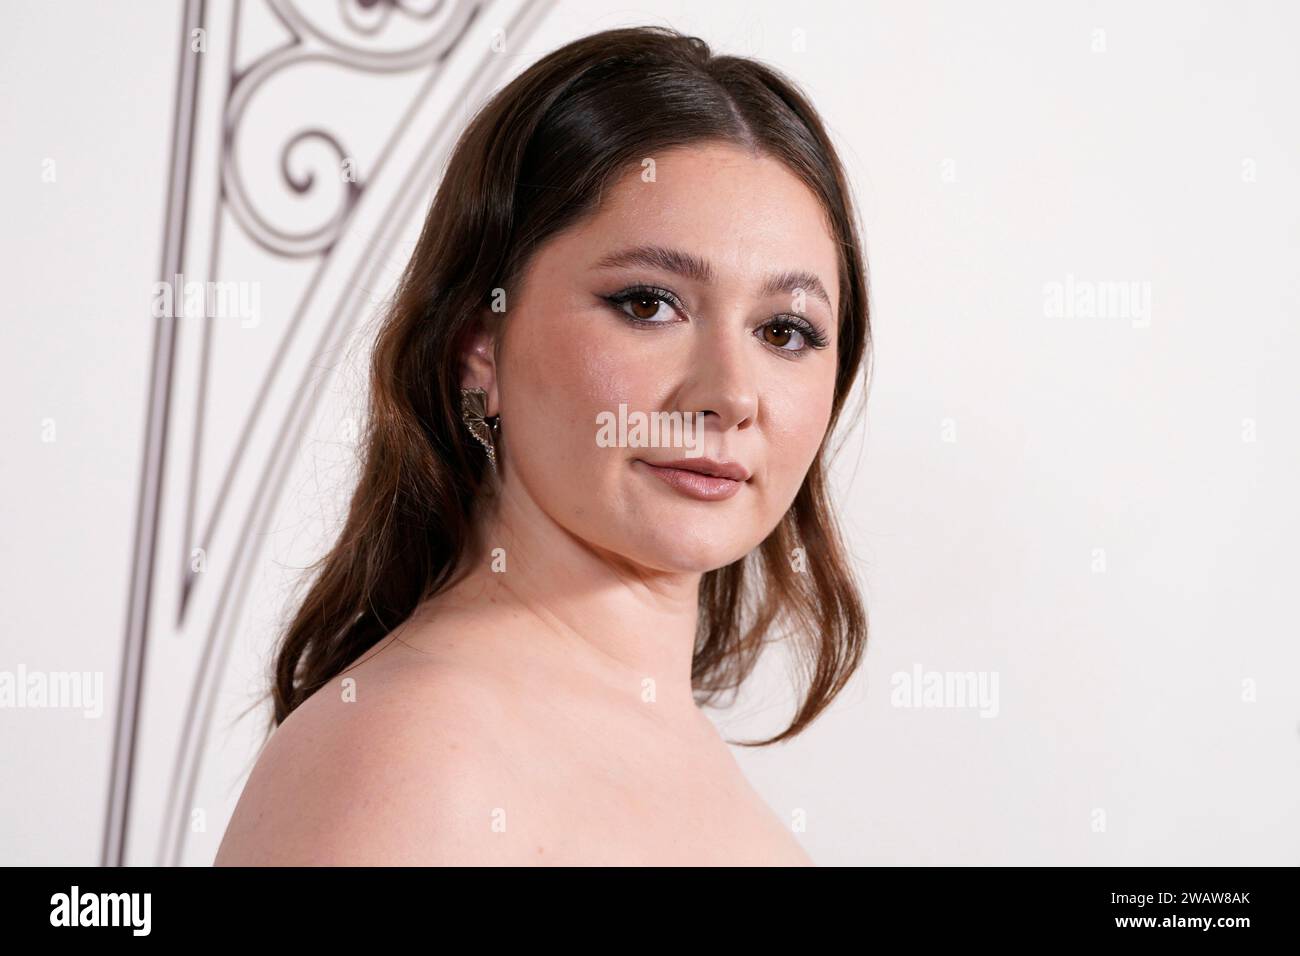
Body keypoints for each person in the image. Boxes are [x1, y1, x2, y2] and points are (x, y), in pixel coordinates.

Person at [215, 23, 870, 866]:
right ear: (475, 345)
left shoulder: (676, 752)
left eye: (785, 330)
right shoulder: (410, 757)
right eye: (647, 304)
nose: (732, 394)